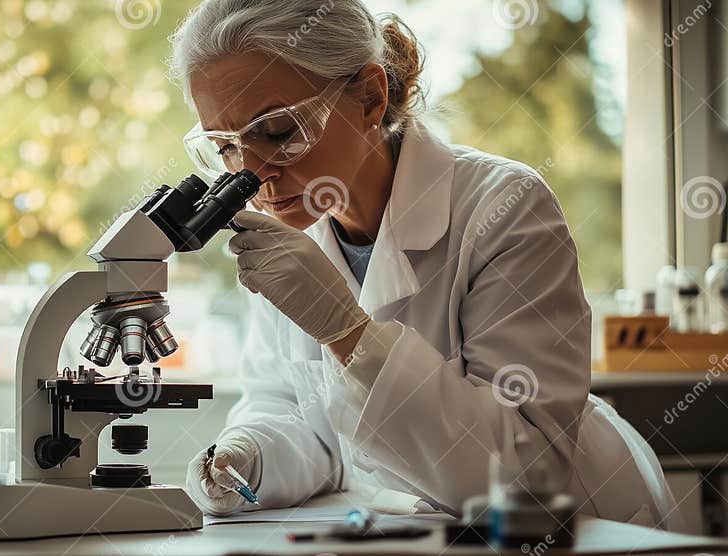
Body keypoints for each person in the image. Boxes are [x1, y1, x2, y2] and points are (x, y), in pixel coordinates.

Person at [168, 0, 680, 530]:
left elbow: (527, 471)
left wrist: (350, 336)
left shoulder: (504, 207)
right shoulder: (299, 237)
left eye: (277, 133)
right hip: (413, 530)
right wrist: (245, 453)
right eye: (227, 147)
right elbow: (300, 418)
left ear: (369, 96)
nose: (253, 176)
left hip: (577, 529)